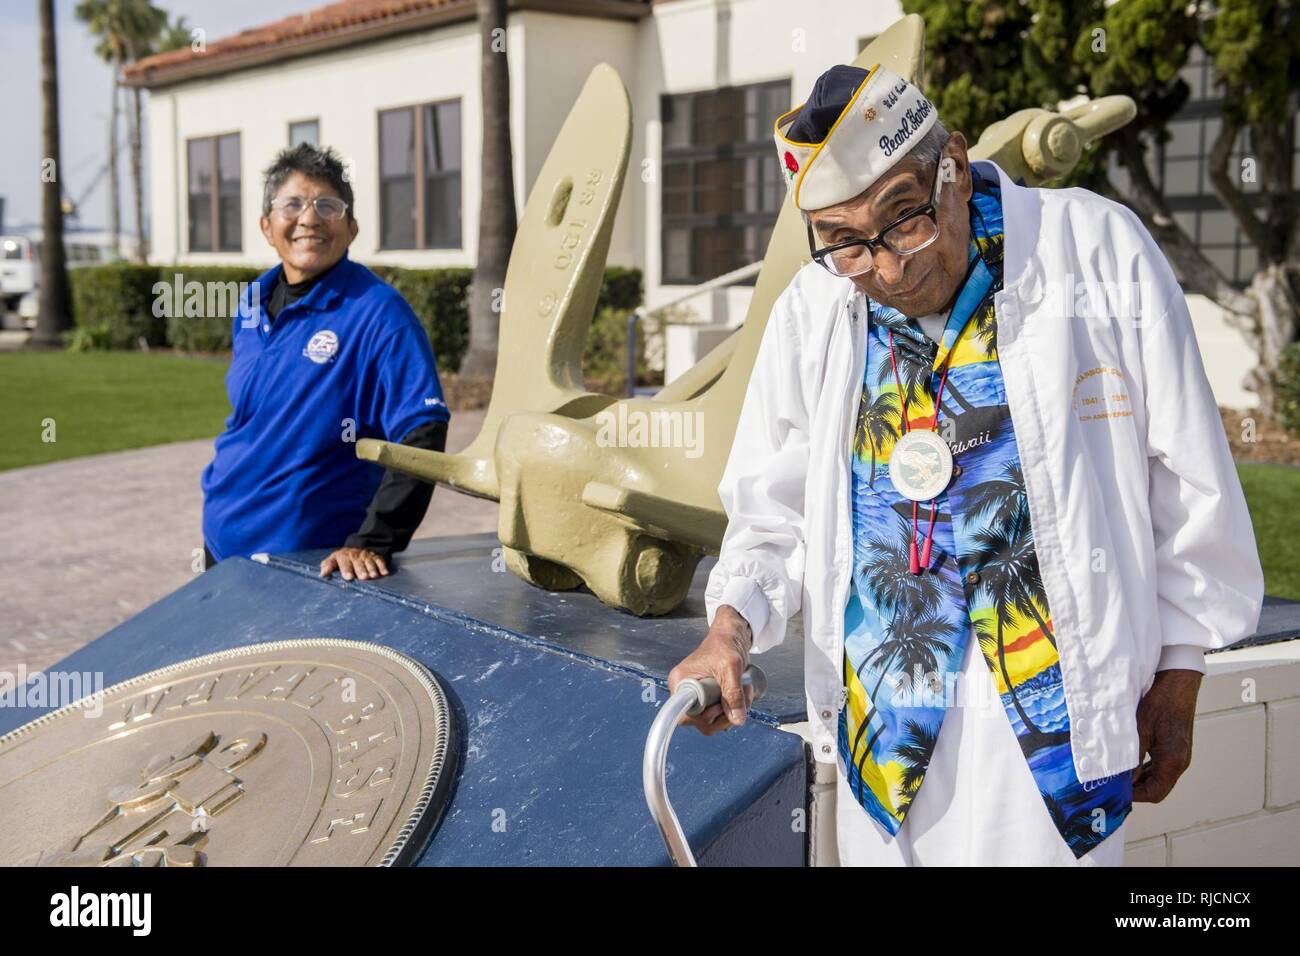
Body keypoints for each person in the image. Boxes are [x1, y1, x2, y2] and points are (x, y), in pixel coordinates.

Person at [668, 64, 1264, 865]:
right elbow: (769, 508)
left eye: (903, 220)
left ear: (950, 162)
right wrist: (729, 630)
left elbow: (1188, 471)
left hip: (1058, 731)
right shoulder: (812, 310)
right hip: (886, 740)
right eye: (845, 243)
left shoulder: (1094, 248)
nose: (885, 268)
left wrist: (1184, 666)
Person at [201, 143, 450, 582]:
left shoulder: (379, 313)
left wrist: (374, 540)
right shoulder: (252, 302)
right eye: (292, 204)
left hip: (306, 567)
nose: (310, 218)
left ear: (352, 228)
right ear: (266, 226)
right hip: (221, 547)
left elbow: (423, 431)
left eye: (328, 206)